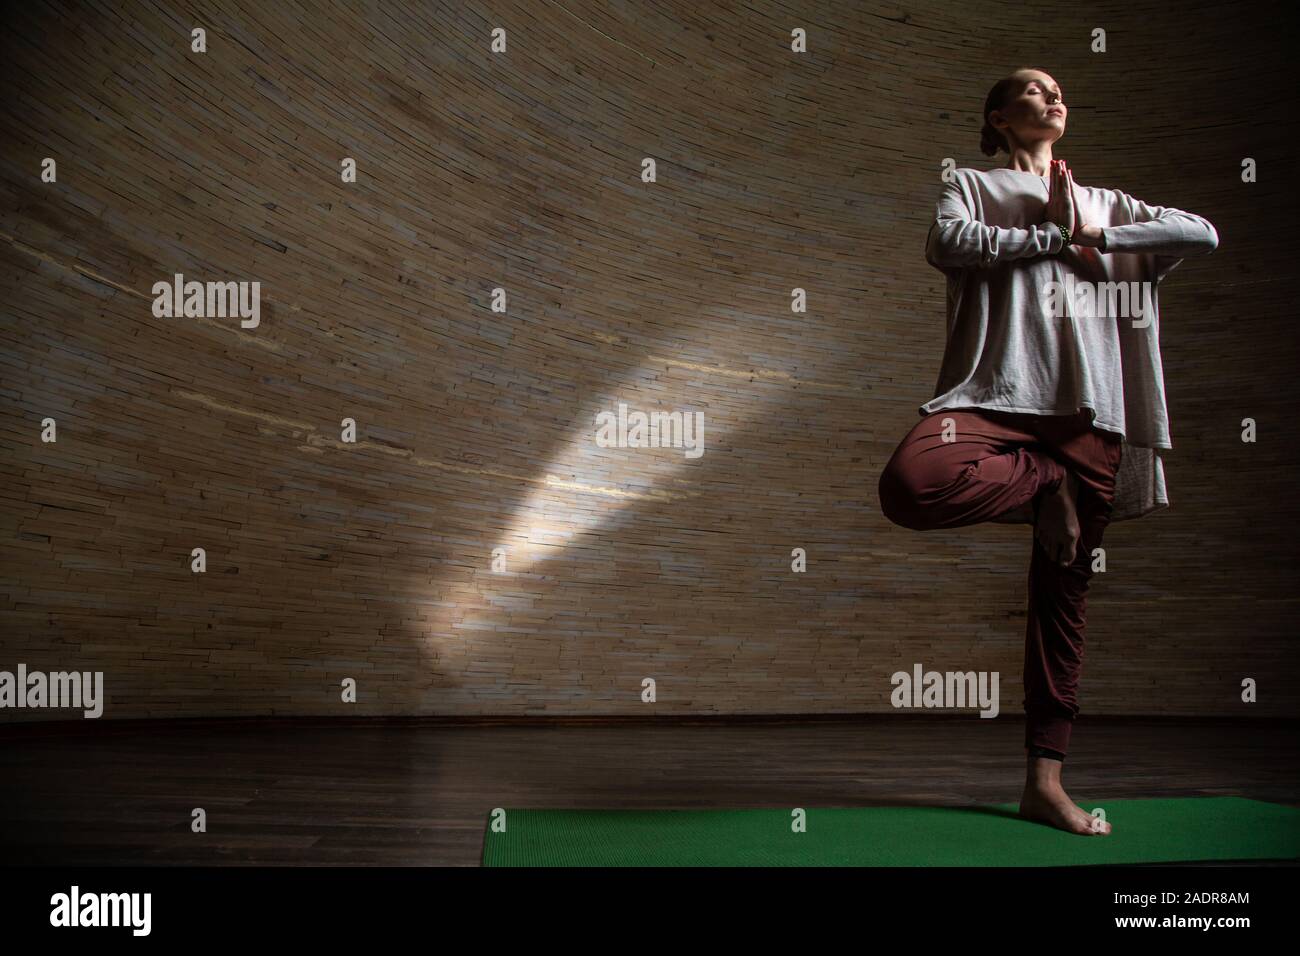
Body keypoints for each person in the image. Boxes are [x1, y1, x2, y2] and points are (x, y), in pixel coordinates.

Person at [877, 67, 1218, 835]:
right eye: (1031, 90)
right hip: (993, 397)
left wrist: (1094, 232)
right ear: (998, 117)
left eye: (1059, 90)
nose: (1051, 97)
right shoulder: (970, 183)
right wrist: (1054, 237)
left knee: (1062, 600)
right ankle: (1045, 488)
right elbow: (951, 243)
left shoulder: (1107, 202)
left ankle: (1044, 781)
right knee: (913, 484)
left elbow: (1201, 233)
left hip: (1088, 415)